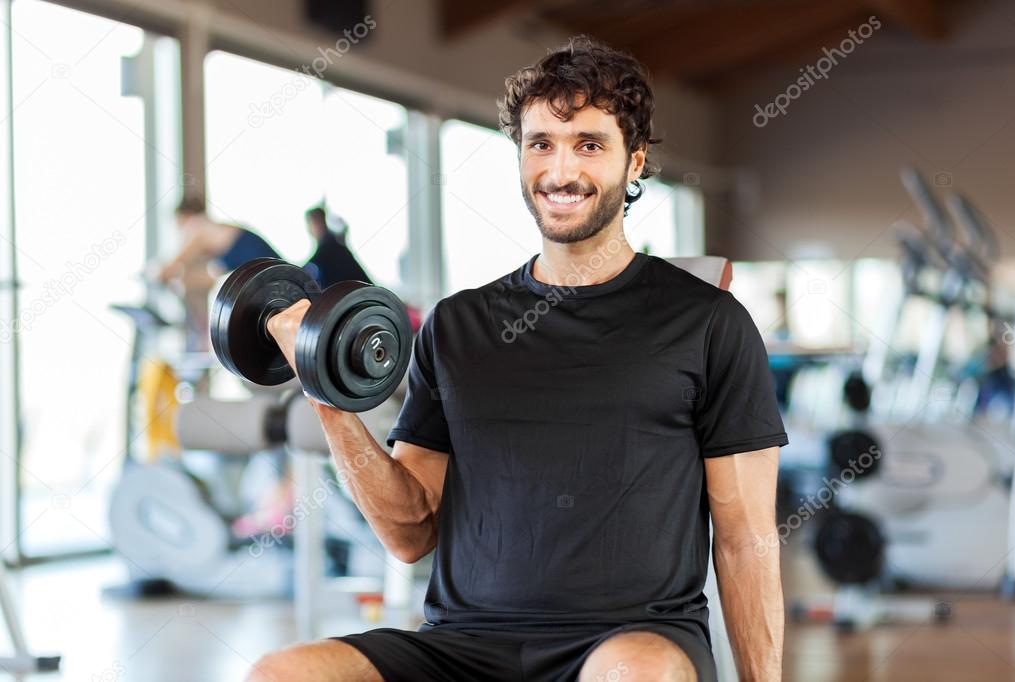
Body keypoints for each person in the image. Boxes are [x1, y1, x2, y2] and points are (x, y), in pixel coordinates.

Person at [250, 36, 787, 682]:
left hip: (626, 644)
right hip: (464, 645)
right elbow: (409, 532)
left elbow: (744, 539)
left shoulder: (706, 323)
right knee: (283, 673)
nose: (560, 171)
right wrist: (324, 386)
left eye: (588, 144)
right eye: (540, 144)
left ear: (634, 162)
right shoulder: (457, 325)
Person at [156, 198, 280, 284]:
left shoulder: (199, 227)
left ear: (188, 216)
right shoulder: (215, 238)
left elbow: (175, 263)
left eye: (180, 225)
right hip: (258, 265)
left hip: (264, 264)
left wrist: (156, 274)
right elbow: (211, 278)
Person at [303, 206, 374, 287]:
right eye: (315, 223)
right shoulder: (318, 260)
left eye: (319, 221)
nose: (318, 226)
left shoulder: (336, 250)